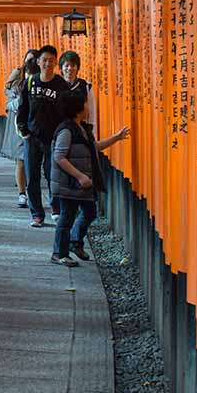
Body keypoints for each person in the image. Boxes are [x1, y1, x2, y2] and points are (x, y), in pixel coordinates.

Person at [49, 92, 130, 266]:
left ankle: (75, 242)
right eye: (85, 104)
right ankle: (59, 253)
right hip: (69, 183)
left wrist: (116, 138)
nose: (88, 108)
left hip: (80, 183)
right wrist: (80, 176)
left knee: (89, 212)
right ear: (77, 109)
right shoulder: (66, 130)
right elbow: (59, 156)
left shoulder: (81, 128)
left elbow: (94, 148)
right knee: (67, 217)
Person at [15, 44, 67, 227]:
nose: (47, 64)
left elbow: (66, 111)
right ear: (38, 61)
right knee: (32, 176)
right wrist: (24, 131)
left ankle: (56, 208)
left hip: (53, 138)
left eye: (51, 61)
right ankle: (37, 213)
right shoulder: (30, 82)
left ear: (55, 63)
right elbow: (22, 108)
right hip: (32, 137)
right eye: (44, 60)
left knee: (53, 174)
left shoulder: (61, 85)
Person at [50, 50, 97, 222]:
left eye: (73, 65)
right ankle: (57, 205)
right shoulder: (56, 85)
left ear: (78, 68)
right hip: (63, 131)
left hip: (80, 130)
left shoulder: (85, 86)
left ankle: (75, 205)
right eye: (66, 65)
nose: (70, 69)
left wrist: (92, 132)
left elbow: (90, 110)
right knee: (57, 170)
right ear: (61, 68)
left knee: (79, 166)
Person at [3, 49, 39, 206]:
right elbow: (8, 95)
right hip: (20, 124)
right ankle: (22, 193)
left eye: (33, 60)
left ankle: (30, 191)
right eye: (28, 59)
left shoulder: (41, 79)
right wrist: (19, 100)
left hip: (36, 125)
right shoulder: (18, 75)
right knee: (20, 160)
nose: (30, 63)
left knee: (33, 162)